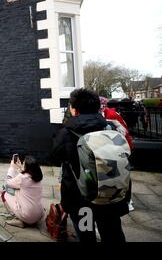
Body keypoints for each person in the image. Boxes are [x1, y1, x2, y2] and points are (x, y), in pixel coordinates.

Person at [51, 88, 130, 242]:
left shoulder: (66, 133)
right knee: (113, 234)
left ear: (74, 110)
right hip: (110, 194)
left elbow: (54, 158)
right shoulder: (110, 128)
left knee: (86, 235)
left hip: (82, 201)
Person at [1, 154, 44, 228]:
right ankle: (27, 219)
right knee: (18, 191)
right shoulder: (37, 178)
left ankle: (20, 219)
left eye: (24, 164)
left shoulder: (22, 178)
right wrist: (21, 167)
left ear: (27, 168)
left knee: (5, 191)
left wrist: (11, 168)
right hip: (39, 215)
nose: (22, 165)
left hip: (28, 216)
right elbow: (26, 178)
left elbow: (7, 183)